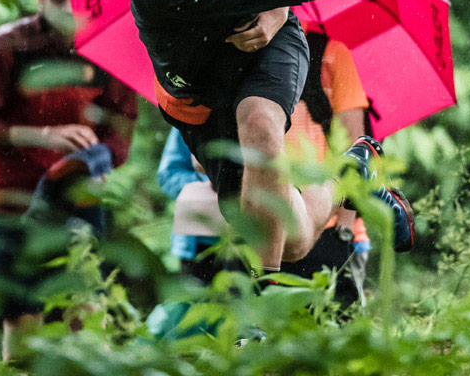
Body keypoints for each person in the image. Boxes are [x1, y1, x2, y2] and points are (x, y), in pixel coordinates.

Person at [131, 0, 449, 275]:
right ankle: (352, 174)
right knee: (295, 240)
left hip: (267, 47)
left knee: (259, 120)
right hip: (201, 102)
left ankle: (262, 302)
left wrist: (277, 15)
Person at [0, 0, 138, 360]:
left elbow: (121, 135)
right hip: (13, 197)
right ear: (41, 0)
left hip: (80, 195)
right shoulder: (0, 48)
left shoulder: (109, 51)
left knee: (85, 308)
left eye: (79, 1)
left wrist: (91, 157)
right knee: (21, 314)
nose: (70, 9)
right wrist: (42, 136)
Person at [157, 30, 373, 305]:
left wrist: (343, 233)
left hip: (311, 227)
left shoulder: (329, 53)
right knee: (270, 337)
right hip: (260, 227)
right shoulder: (234, 50)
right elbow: (202, 158)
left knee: (304, 334)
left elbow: (352, 151)